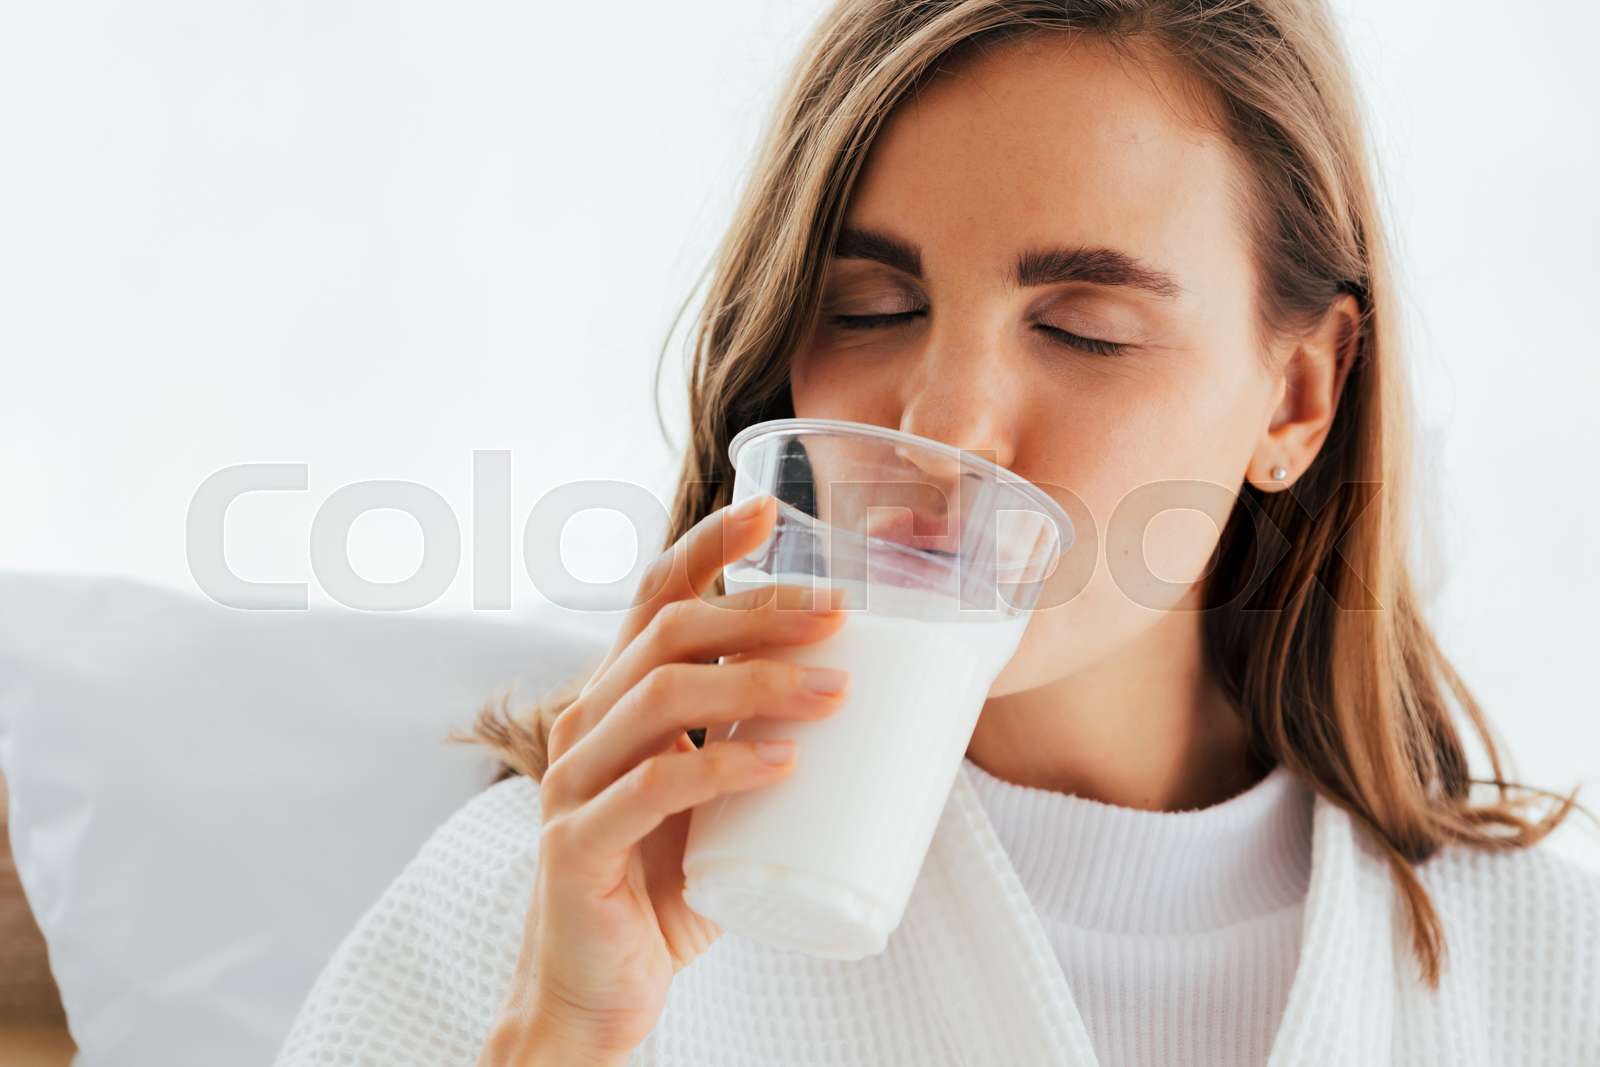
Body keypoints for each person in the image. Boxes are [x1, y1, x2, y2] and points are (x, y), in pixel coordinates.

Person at [274, 2, 1599, 1064]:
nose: (945, 422)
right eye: (865, 308)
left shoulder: (1554, 977)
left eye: (1085, 329)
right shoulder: (544, 909)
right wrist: (564, 1043)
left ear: (1300, 395)